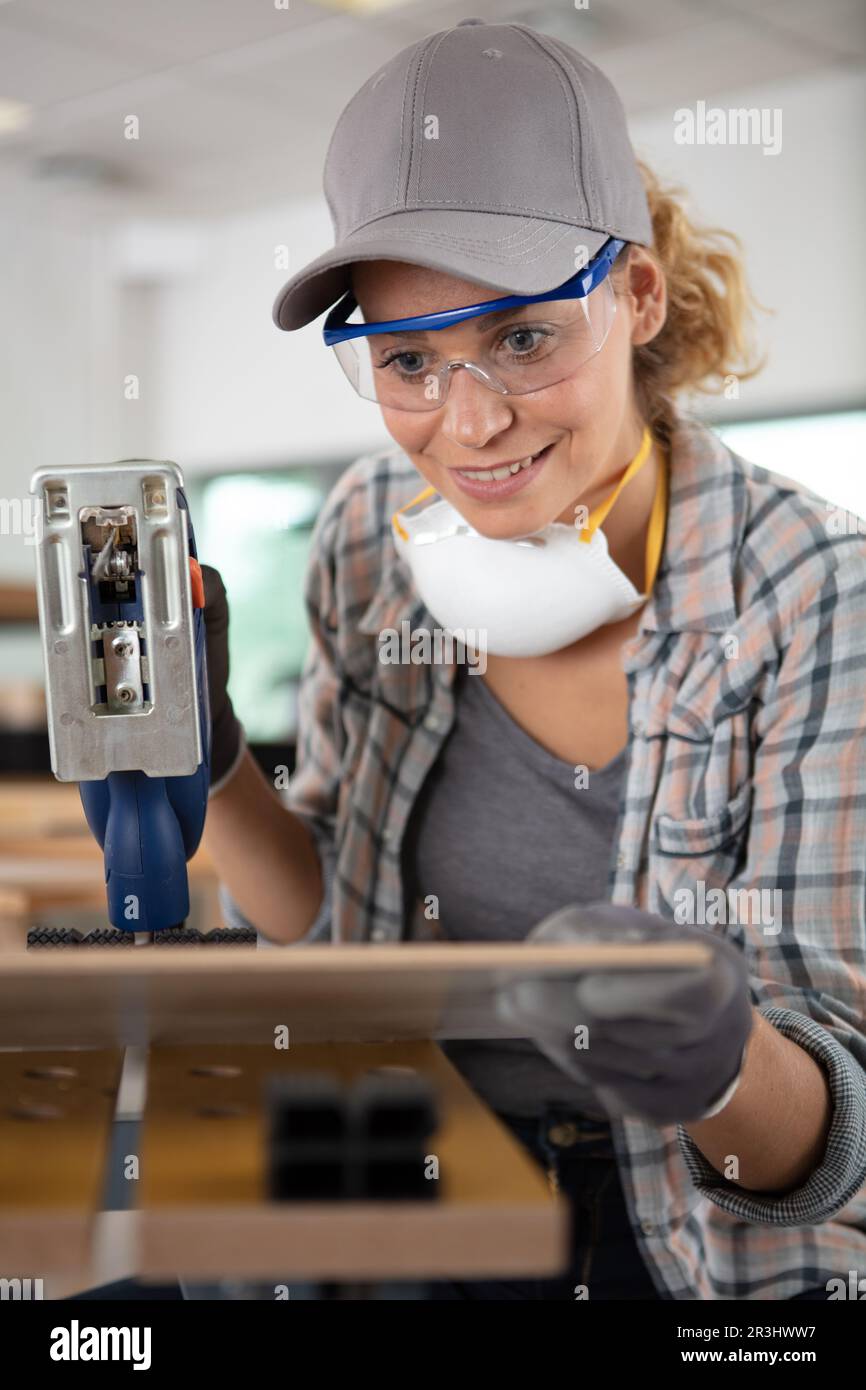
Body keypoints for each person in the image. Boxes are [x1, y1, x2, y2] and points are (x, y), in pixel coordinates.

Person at [202, 18, 866, 1300]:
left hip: (680, 1238)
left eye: (518, 337)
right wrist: (211, 758)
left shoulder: (813, 592)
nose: (470, 423)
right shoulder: (360, 539)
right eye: (406, 361)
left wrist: (718, 1059)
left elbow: (836, 1135)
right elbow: (335, 929)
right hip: (415, 1170)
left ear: (635, 292)